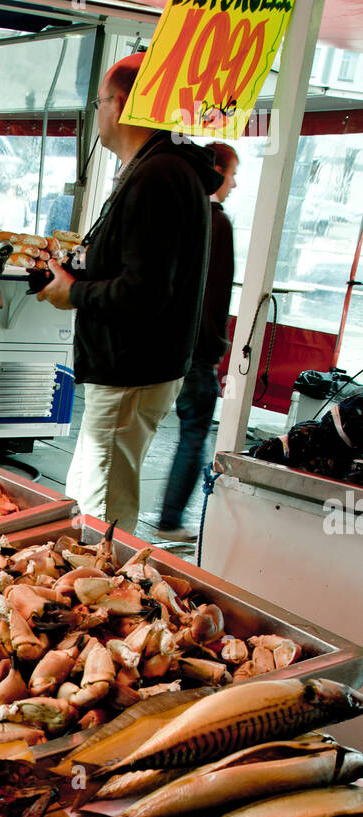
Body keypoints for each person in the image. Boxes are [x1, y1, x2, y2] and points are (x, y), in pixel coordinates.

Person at [37, 54, 222, 534]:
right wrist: (72, 268)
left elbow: (144, 291)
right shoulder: (165, 170)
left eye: (98, 102)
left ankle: (102, 598)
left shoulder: (158, 176)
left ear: (119, 103)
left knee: (102, 509)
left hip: (131, 370)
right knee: (92, 493)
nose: (96, 112)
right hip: (136, 371)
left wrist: (72, 295)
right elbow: (135, 264)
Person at [155, 142, 238, 540]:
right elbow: (214, 295)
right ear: (217, 170)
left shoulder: (178, 216)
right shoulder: (216, 222)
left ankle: (167, 516)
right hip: (197, 352)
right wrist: (211, 349)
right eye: (233, 174)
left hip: (171, 347)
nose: (234, 184)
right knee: (194, 436)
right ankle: (170, 519)